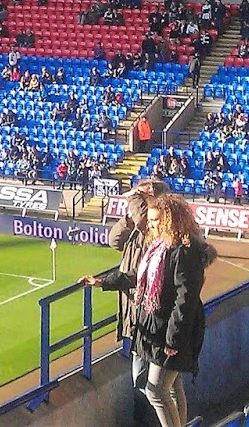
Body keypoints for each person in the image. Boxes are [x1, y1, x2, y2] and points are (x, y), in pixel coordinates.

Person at [85, 194, 214, 427]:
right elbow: (137, 276)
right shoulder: (158, 247)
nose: (151, 225)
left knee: (156, 389)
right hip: (158, 326)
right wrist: (103, 282)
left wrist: (173, 340)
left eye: (156, 221)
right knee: (172, 387)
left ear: (170, 220)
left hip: (171, 331)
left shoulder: (185, 251)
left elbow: (185, 299)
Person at [92, 180, 170, 427]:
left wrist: (102, 282)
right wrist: (127, 220)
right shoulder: (137, 229)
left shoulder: (157, 233)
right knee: (149, 376)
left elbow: (134, 274)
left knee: (146, 379)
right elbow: (114, 241)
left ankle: (146, 422)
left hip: (146, 313)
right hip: (134, 312)